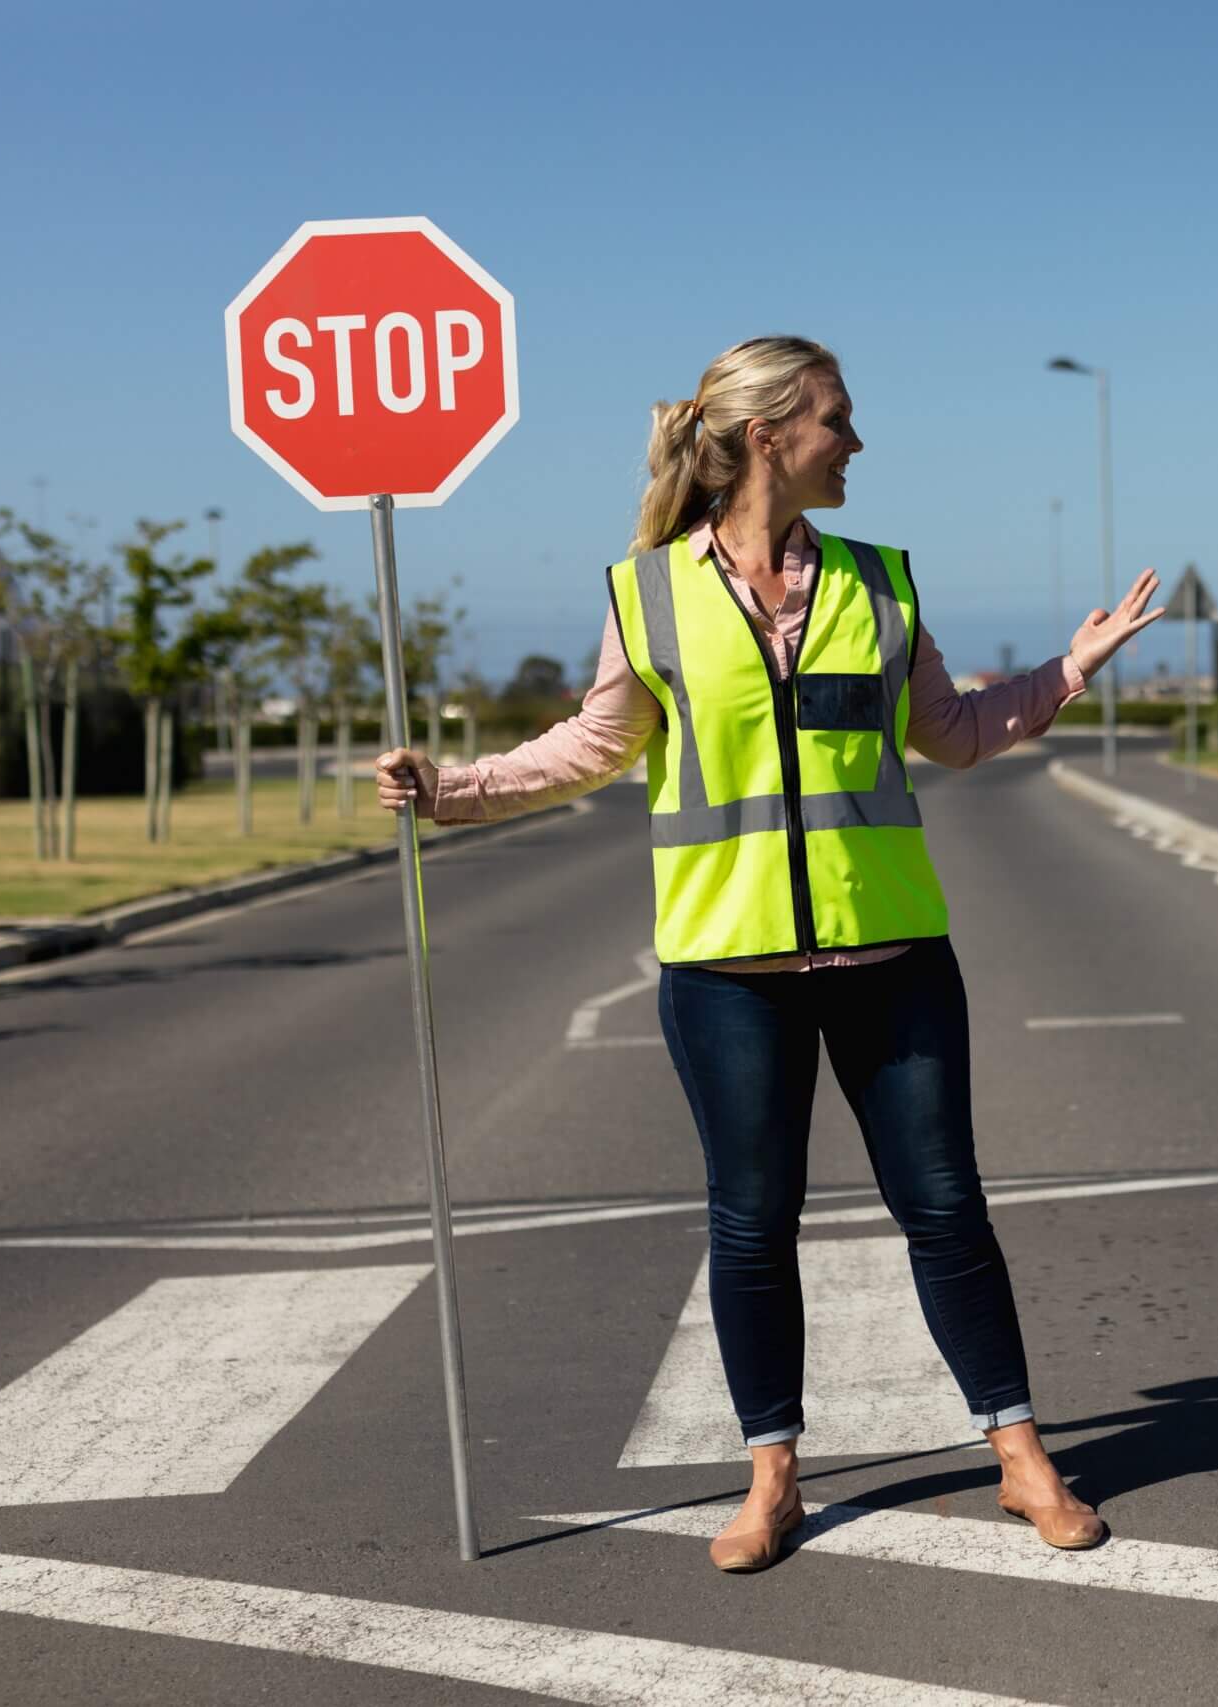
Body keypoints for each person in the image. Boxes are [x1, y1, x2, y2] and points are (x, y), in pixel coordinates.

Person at [376, 336, 1162, 1572]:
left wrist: (1066, 672)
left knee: (946, 1209)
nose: (856, 443)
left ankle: (1022, 1461)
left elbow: (950, 736)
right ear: (768, 438)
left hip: (890, 952)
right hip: (727, 971)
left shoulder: (879, 581)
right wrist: (452, 786)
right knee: (753, 1223)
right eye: (838, 421)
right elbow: (591, 746)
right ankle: (772, 1480)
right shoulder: (648, 594)